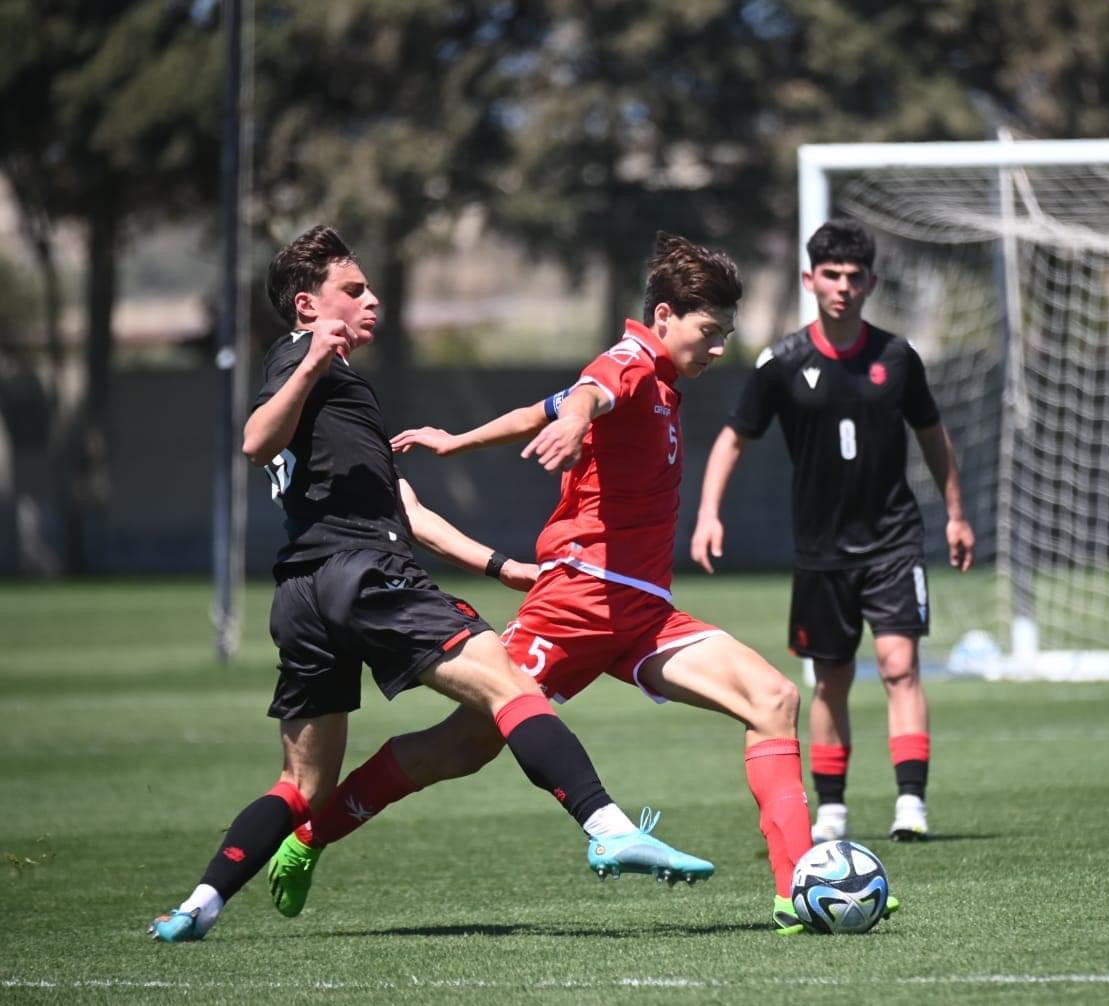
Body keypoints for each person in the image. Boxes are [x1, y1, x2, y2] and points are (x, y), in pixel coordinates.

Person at [265, 232, 894, 935]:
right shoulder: (630, 360)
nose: (718, 348)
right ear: (663, 317)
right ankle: (311, 836)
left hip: (645, 611)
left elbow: (544, 407)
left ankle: (795, 890)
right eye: (709, 332)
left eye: (725, 334)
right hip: (577, 600)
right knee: (462, 746)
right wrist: (572, 423)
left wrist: (458, 441)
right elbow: (587, 395)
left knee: (773, 698)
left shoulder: (661, 380)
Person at [148, 226, 710, 943]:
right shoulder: (301, 362)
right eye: (353, 291)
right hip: (364, 573)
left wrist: (502, 567)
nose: (372, 301)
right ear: (306, 306)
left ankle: (199, 905)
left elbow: (408, 511)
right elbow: (256, 440)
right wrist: (313, 358)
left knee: (303, 786)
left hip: (304, 594)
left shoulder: (338, 395)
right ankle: (608, 827)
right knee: (512, 686)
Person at [690, 219, 974, 844]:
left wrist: (955, 514)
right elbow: (733, 438)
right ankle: (834, 810)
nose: (843, 286)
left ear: (870, 283)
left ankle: (911, 804)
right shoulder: (783, 362)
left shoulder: (897, 357)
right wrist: (709, 512)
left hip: (893, 540)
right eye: (832, 275)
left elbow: (933, 437)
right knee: (832, 679)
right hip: (822, 551)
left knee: (900, 665)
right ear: (809, 279)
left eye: (854, 276)